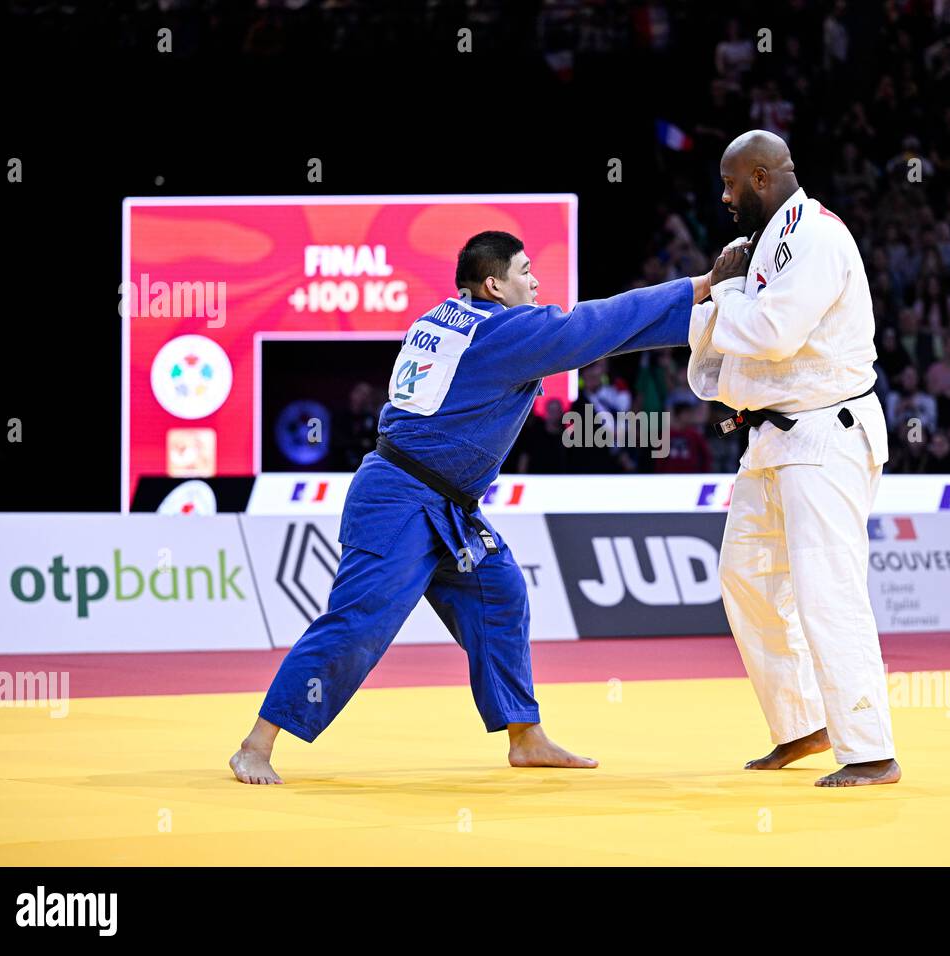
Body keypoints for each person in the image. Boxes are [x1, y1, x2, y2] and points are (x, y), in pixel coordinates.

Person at [230, 231, 717, 784]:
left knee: (499, 592)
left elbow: (590, 339)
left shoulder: (445, 318)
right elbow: (596, 326)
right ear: (494, 284)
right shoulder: (501, 333)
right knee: (357, 624)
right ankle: (256, 744)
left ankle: (525, 736)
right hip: (400, 502)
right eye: (526, 272)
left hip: (445, 505)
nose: (535, 282)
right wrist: (698, 287)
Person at [688, 130, 900, 788]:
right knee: (746, 575)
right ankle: (802, 722)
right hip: (773, 438)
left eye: (730, 184)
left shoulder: (814, 237)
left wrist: (718, 294)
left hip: (827, 434)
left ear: (761, 178)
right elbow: (730, 356)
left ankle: (870, 750)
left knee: (827, 591)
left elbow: (774, 334)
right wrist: (722, 294)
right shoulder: (763, 247)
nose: (723, 197)